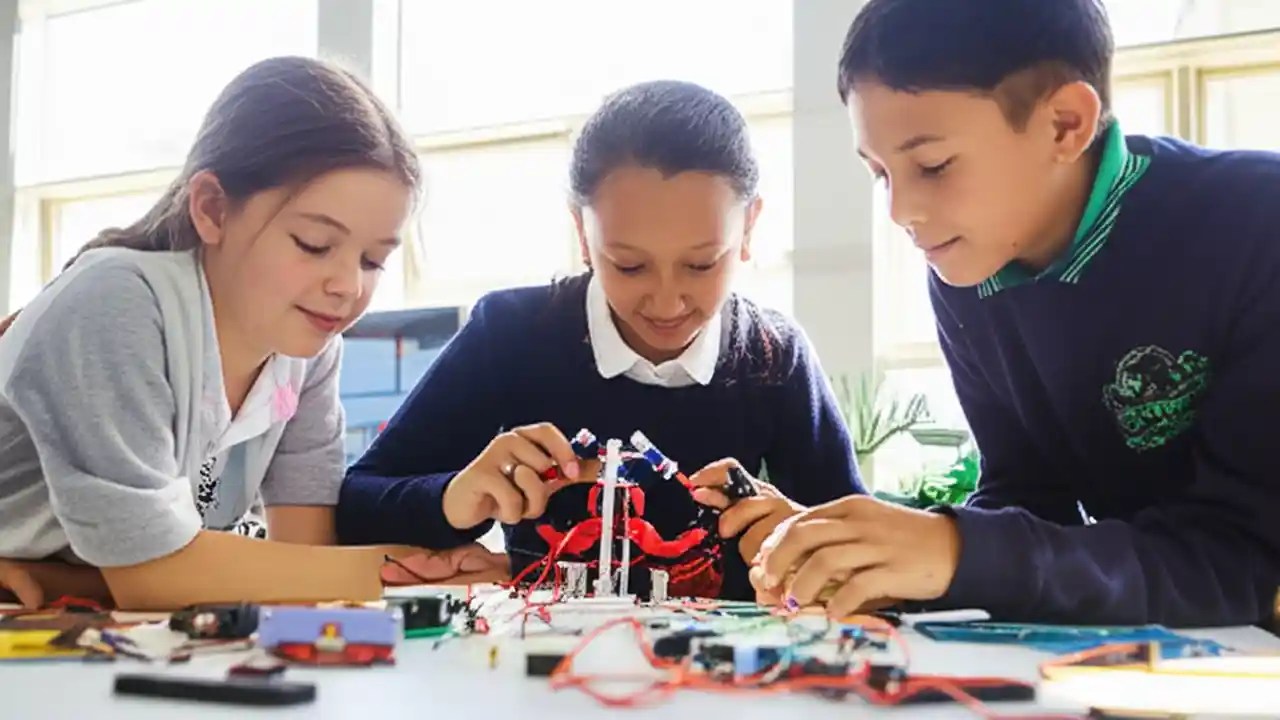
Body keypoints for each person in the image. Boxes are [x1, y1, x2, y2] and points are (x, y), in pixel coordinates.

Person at [753, 0, 1280, 627]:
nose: (899, 211)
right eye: (880, 173)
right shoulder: (970, 270)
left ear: (1064, 124)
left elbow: (1241, 565)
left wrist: (959, 552)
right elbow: (1029, 499)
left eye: (932, 165)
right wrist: (901, 572)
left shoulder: (1258, 224)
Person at [0, 56, 503, 611]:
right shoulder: (118, 301)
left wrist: (404, 566)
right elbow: (153, 576)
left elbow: (302, 558)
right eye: (314, 244)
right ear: (213, 209)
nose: (347, 285)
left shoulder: (306, 354)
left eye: (372, 260)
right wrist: (406, 568)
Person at [338, 80, 864, 601]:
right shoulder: (511, 333)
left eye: (701, 264)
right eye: (629, 265)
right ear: (581, 232)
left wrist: (806, 540)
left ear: (748, 228)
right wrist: (454, 498)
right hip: (541, 649)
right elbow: (357, 505)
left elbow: (864, 563)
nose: (667, 303)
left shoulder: (775, 358)